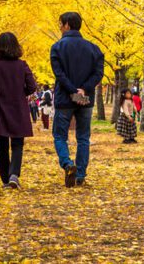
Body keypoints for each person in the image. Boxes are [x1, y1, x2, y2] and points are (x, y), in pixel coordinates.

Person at [51, 11, 105, 188]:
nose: (59, 27)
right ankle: (80, 174)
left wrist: (73, 90)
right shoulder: (93, 48)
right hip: (85, 98)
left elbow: (59, 74)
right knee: (83, 137)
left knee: (60, 135)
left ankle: (67, 164)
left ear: (67, 25)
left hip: (64, 98)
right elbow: (98, 73)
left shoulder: (57, 47)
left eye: (60, 24)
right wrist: (84, 89)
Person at [0, 32, 37, 188]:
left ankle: (5, 179)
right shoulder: (22, 65)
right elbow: (32, 87)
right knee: (17, 143)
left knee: (1, 145)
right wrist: (21, 93)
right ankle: (14, 174)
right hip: (18, 107)